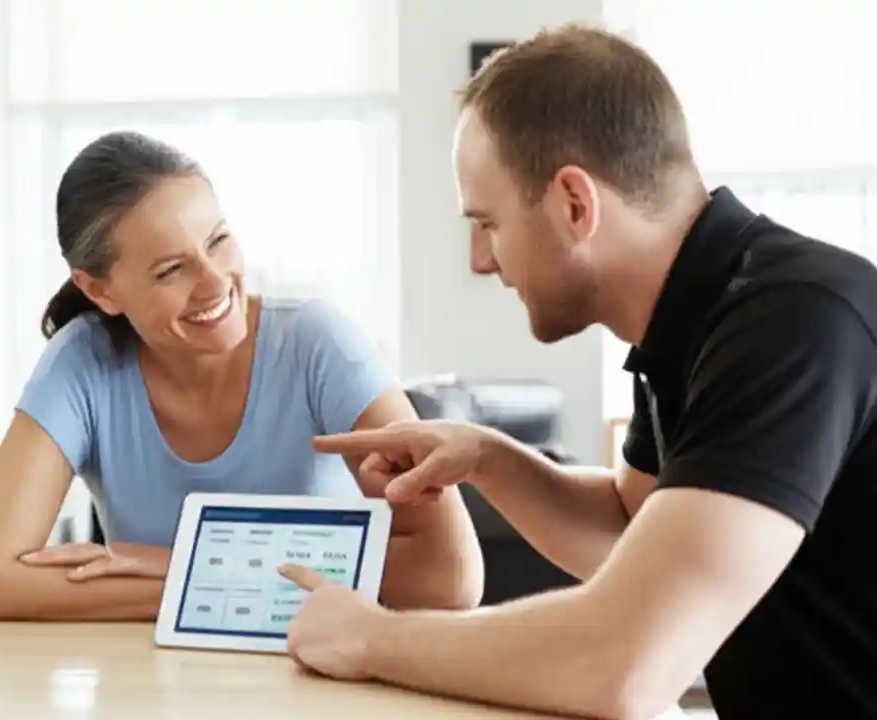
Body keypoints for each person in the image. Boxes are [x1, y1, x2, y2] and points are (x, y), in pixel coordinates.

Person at [277, 24, 877, 720]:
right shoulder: (696, 317)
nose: (481, 259)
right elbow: (633, 533)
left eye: (488, 223)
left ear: (574, 203)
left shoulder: (794, 322)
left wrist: (372, 638)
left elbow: (623, 666)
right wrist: (484, 457)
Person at [0, 131, 484, 621]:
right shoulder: (84, 362)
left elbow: (451, 580)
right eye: (170, 270)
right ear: (100, 290)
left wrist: (182, 567)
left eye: (217, 240)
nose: (214, 284)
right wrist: (208, 581)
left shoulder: (317, 343)